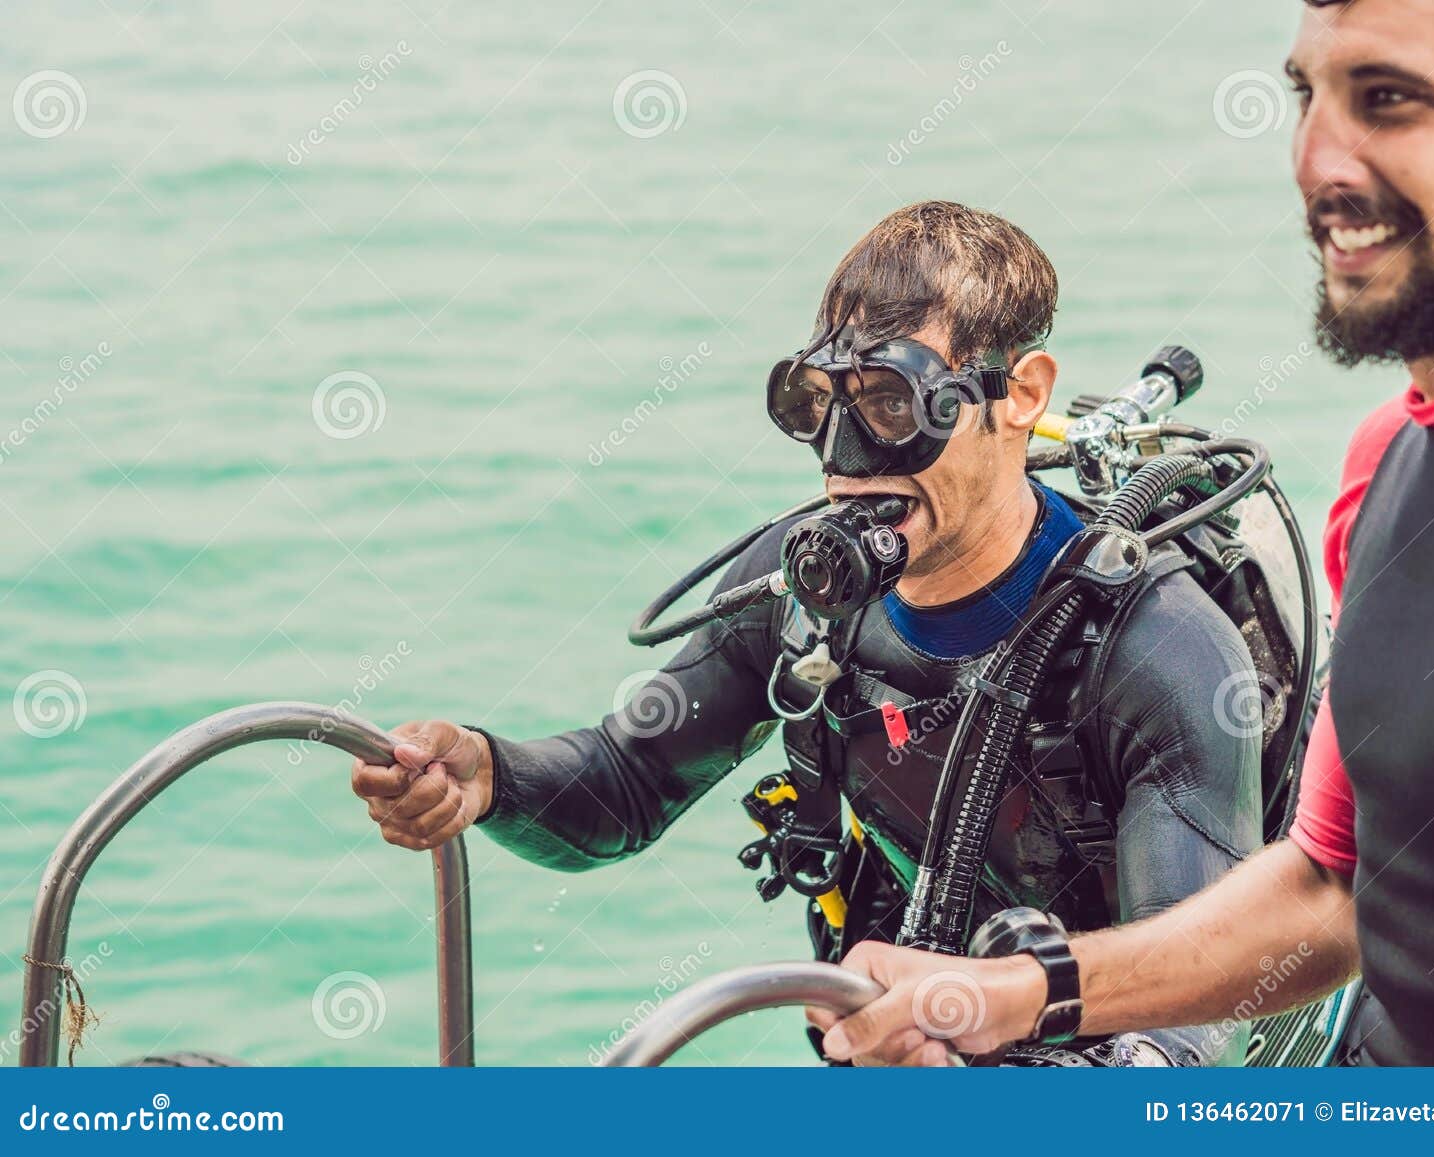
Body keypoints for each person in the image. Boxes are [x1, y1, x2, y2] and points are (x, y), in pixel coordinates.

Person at [808, 0, 1434, 1067]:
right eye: (1303, 98)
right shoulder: (1385, 464)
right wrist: (1008, 993)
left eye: (1389, 100)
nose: (1318, 158)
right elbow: (1331, 884)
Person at [350, 200, 1292, 1066]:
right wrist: (489, 775)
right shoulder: (798, 592)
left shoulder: (1158, 650)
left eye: (892, 404)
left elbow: (1190, 1037)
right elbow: (624, 786)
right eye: (818, 405)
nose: (844, 459)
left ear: (1020, 395)